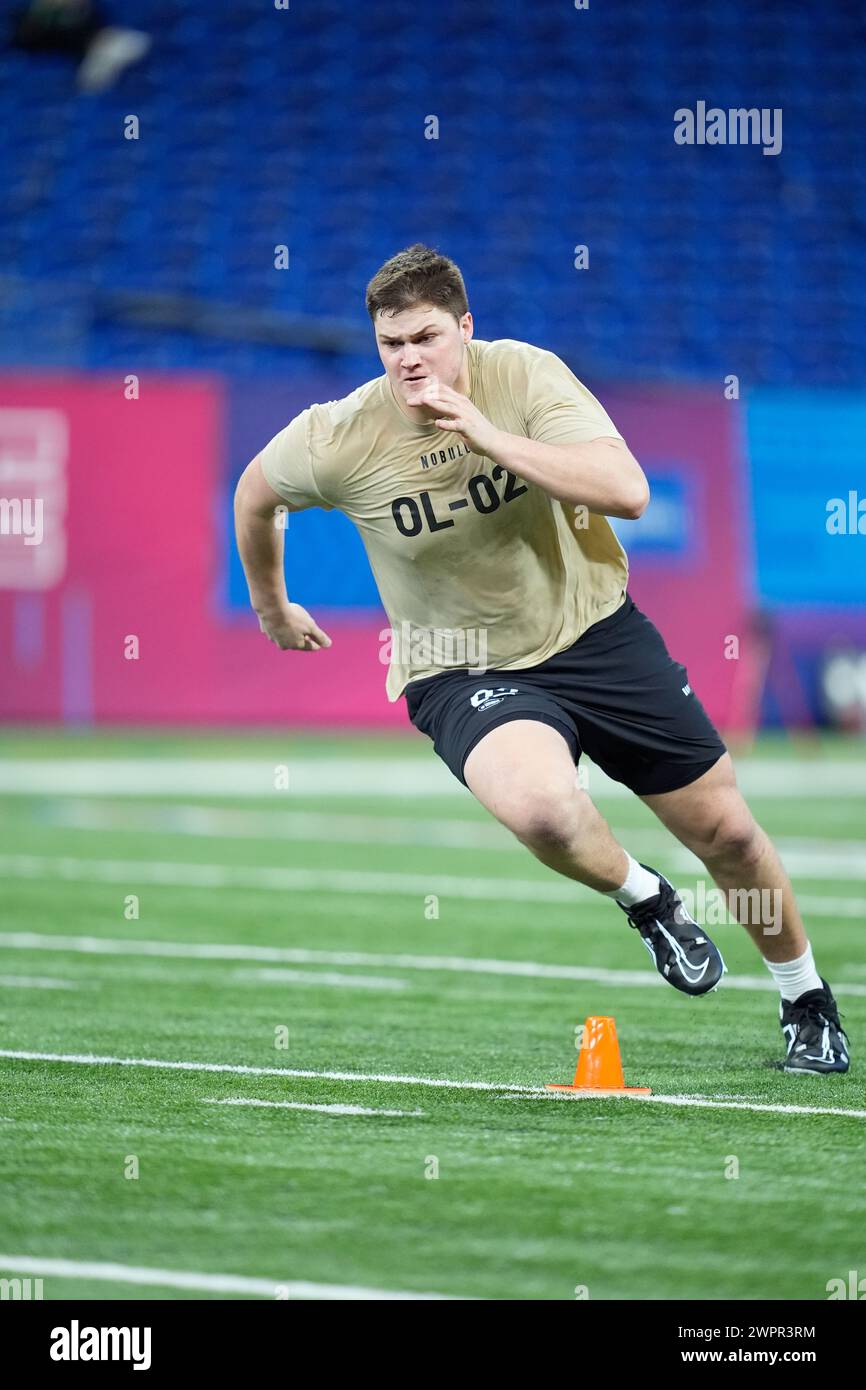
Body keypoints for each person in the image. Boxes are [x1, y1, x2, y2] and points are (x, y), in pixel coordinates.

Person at [234, 243, 849, 1075]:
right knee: (545, 811)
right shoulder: (341, 435)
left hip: (593, 630)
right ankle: (648, 899)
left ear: (466, 330)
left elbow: (627, 490)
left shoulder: (522, 377)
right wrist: (272, 604)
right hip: (456, 664)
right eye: (391, 344)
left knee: (729, 837)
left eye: (425, 337)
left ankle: (805, 998)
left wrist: (487, 434)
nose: (409, 359)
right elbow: (256, 494)